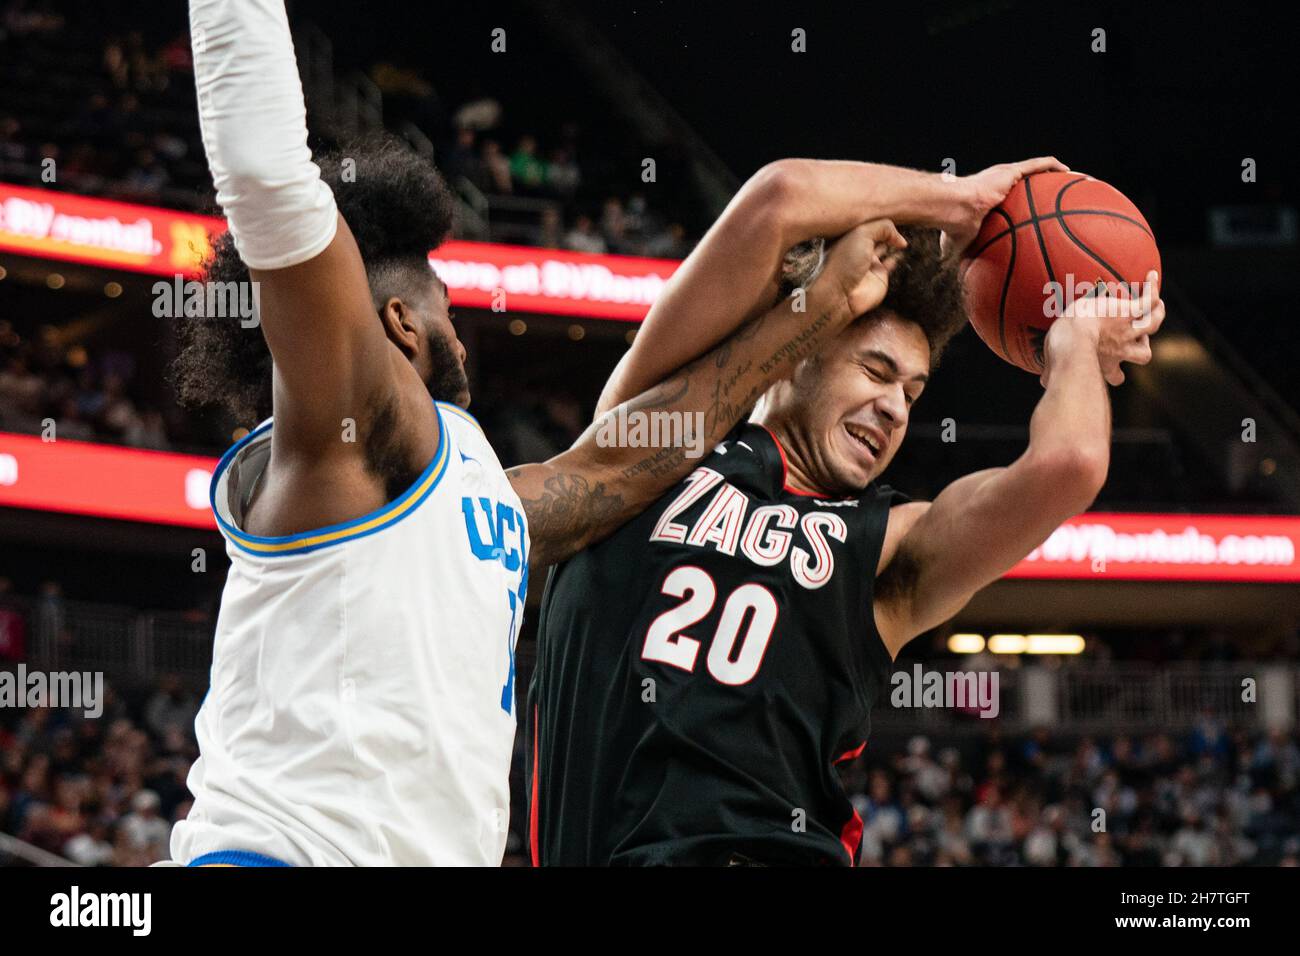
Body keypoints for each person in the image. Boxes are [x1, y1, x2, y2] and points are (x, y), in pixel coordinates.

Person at [170, 0, 900, 867]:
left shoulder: (473, 496)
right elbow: (266, 177)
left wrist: (818, 311)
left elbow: (637, 459)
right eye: (446, 302)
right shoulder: (354, 428)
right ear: (399, 325)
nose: (462, 326)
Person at [528, 157, 1166, 865]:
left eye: (914, 393)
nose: (895, 406)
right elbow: (779, 198)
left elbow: (1067, 465)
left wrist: (1072, 344)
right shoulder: (651, 442)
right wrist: (954, 200)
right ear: (801, 351)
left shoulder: (888, 547)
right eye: (876, 371)